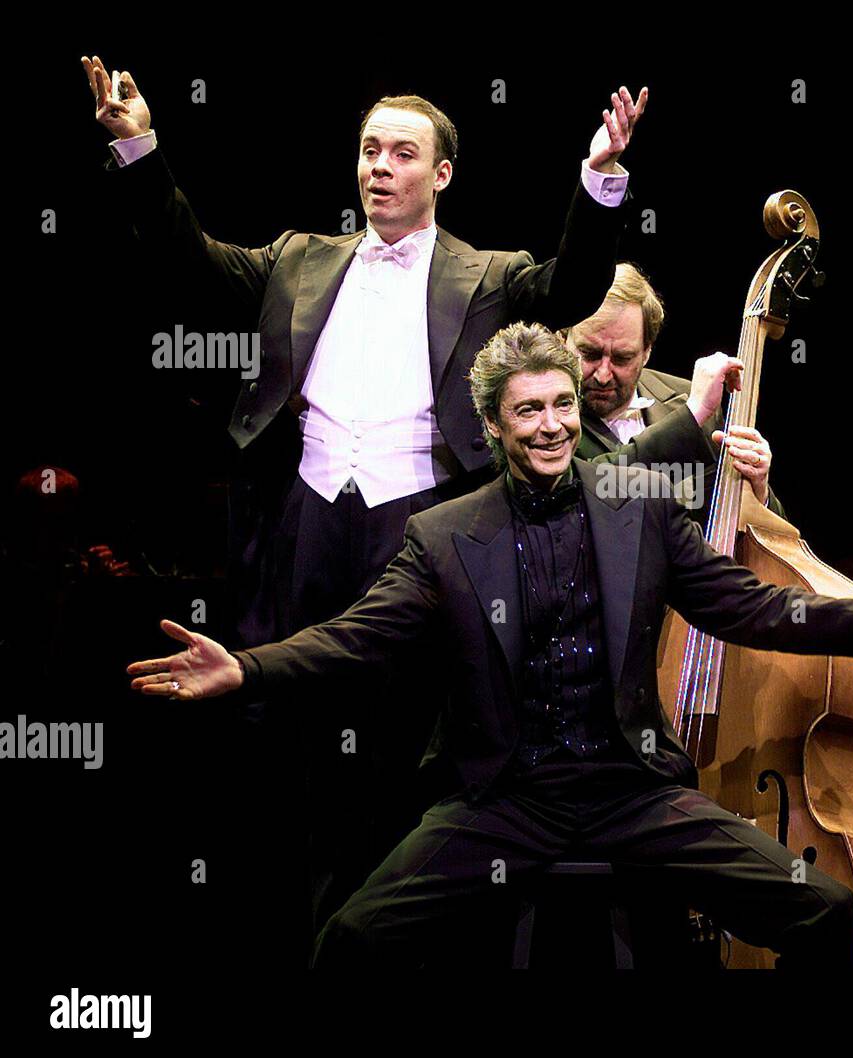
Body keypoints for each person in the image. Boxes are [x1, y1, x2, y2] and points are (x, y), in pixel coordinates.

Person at [128, 321, 853, 968]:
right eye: (527, 412)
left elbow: (755, 609)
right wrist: (244, 667)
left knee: (823, 912)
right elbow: (357, 640)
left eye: (559, 405)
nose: (549, 426)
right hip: (503, 797)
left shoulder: (640, 503)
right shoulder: (445, 537)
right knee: (352, 941)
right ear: (495, 427)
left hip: (630, 789)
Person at [82, 53, 646, 949]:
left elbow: (568, 290)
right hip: (300, 520)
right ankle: (298, 936)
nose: (379, 166)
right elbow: (189, 267)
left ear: (441, 174)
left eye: (401, 153)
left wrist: (601, 176)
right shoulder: (300, 258)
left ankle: (392, 939)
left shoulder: (488, 274)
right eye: (369, 150)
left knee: (401, 749)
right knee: (283, 737)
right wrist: (141, 146)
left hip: (417, 524)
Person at [565, 263, 785, 517]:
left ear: (647, 351)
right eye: (590, 354)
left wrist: (758, 490)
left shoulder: (689, 399)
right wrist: (690, 416)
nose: (603, 375)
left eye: (622, 358)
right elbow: (589, 491)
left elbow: (763, 534)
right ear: (563, 338)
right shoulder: (546, 417)